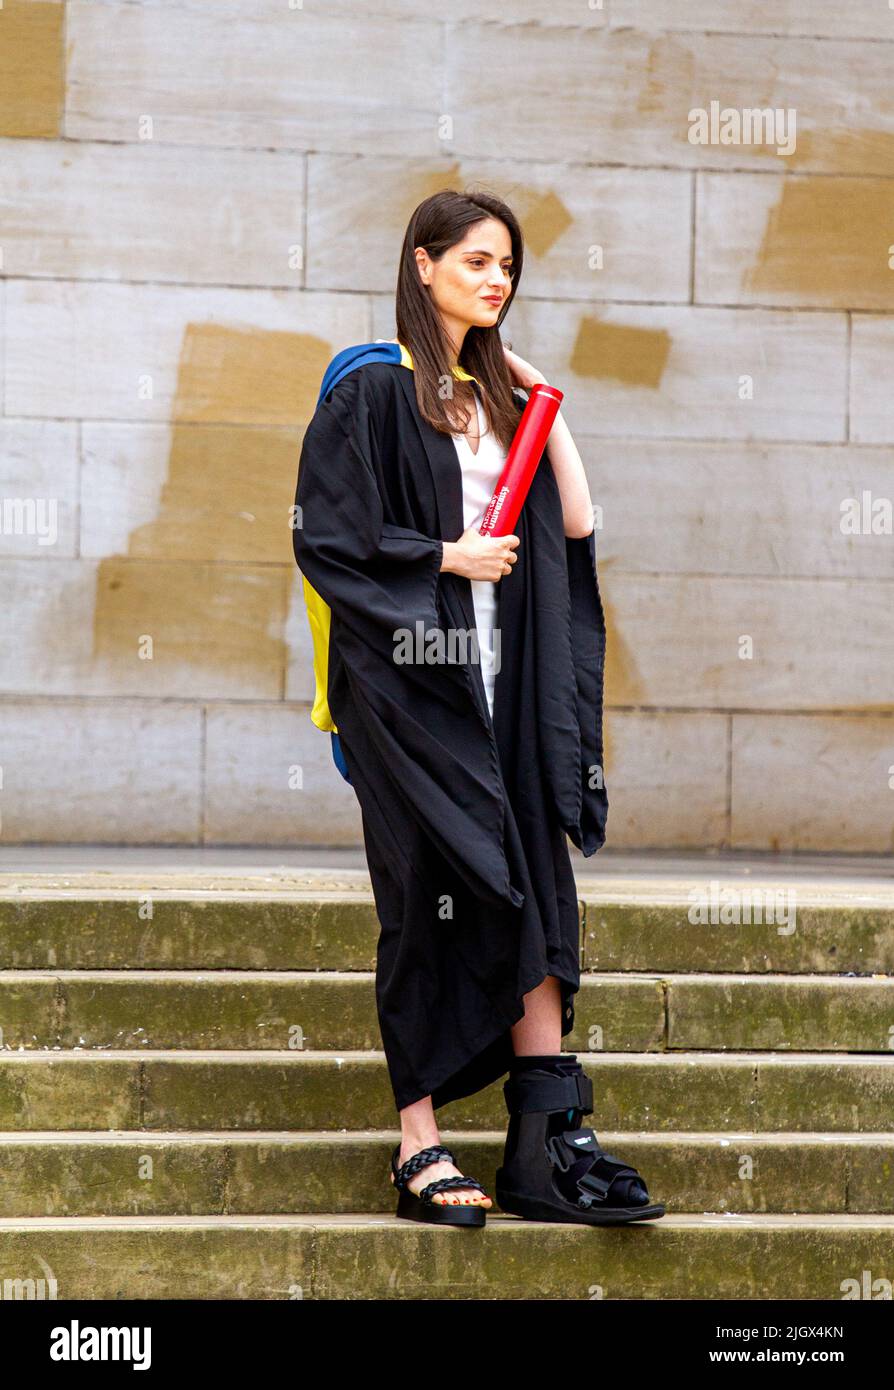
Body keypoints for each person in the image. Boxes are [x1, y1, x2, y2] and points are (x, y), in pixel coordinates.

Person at [292, 188, 664, 1227]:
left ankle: (545, 1140)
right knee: (427, 896)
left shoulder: (498, 398)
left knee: (532, 882)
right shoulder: (368, 392)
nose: (496, 280)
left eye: (508, 267)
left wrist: (552, 411)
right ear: (422, 264)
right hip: (413, 687)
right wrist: (446, 555)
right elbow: (328, 538)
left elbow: (574, 525)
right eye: (476, 262)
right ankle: (420, 1143)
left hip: (506, 684)